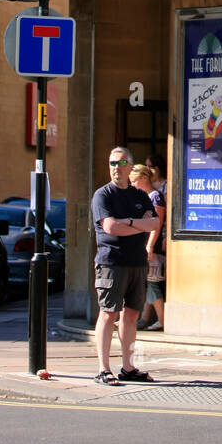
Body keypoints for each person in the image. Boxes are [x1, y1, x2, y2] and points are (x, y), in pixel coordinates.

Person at [90, 147, 161, 385]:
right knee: (108, 313)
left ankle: (128, 367)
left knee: (131, 315)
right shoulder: (103, 195)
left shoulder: (140, 196)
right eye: (111, 163)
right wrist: (138, 225)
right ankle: (103, 368)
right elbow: (110, 227)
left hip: (137, 263)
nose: (115, 168)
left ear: (130, 167)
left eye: (120, 163)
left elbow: (154, 223)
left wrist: (129, 222)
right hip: (112, 262)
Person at [132, 163, 167, 331]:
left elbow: (157, 224)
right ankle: (145, 318)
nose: (132, 185)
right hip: (145, 245)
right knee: (149, 283)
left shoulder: (155, 197)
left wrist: (150, 246)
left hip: (152, 247)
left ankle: (162, 319)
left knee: (152, 283)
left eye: (134, 181)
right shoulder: (147, 197)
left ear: (144, 178)